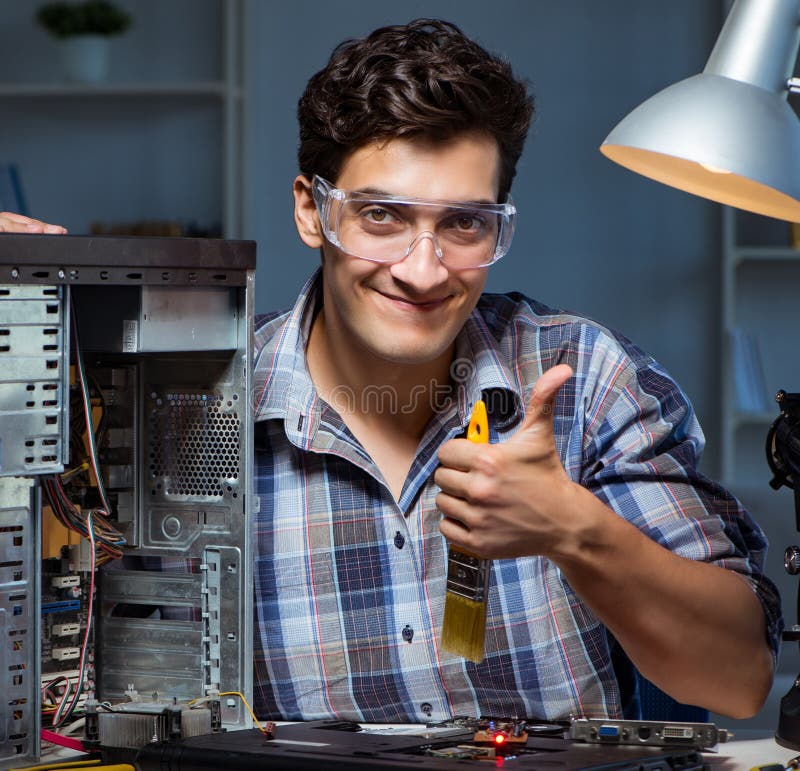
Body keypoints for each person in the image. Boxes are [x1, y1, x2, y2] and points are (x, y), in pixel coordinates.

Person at [1, 18, 782, 725]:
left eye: (464, 224)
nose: (422, 269)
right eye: (381, 217)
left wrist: (574, 530)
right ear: (313, 210)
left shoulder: (582, 377)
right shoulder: (186, 410)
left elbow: (736, 679)